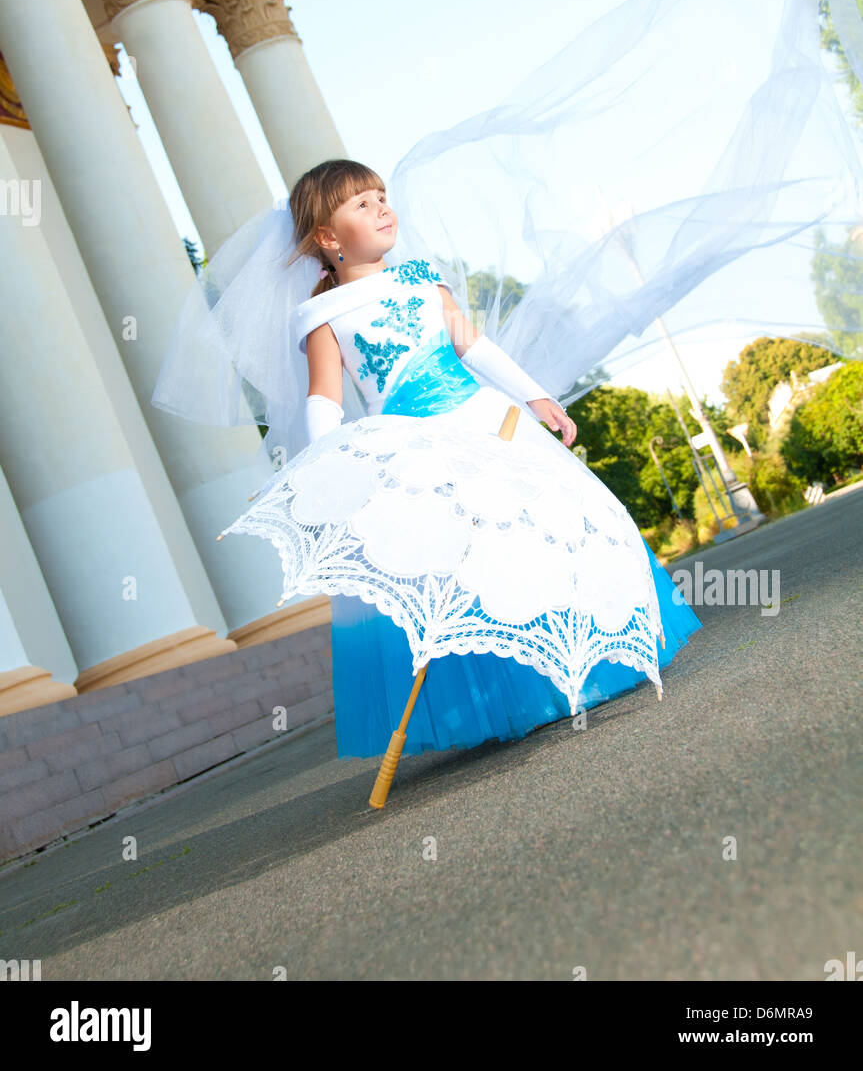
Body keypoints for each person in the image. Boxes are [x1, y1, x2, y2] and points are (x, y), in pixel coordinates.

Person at [213, 158, 702, 758]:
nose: (381, 207)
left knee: (532, 533)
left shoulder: (422, 277)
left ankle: (586, 663)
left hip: (488, 423)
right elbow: (324, 399)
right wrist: (329, 465)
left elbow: (473, 345)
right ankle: (514, 692)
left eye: (381, 196)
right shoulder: (321, 316)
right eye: (361, 204)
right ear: (328, 238)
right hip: (418, 448)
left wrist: (534, 393)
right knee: (464, 569)